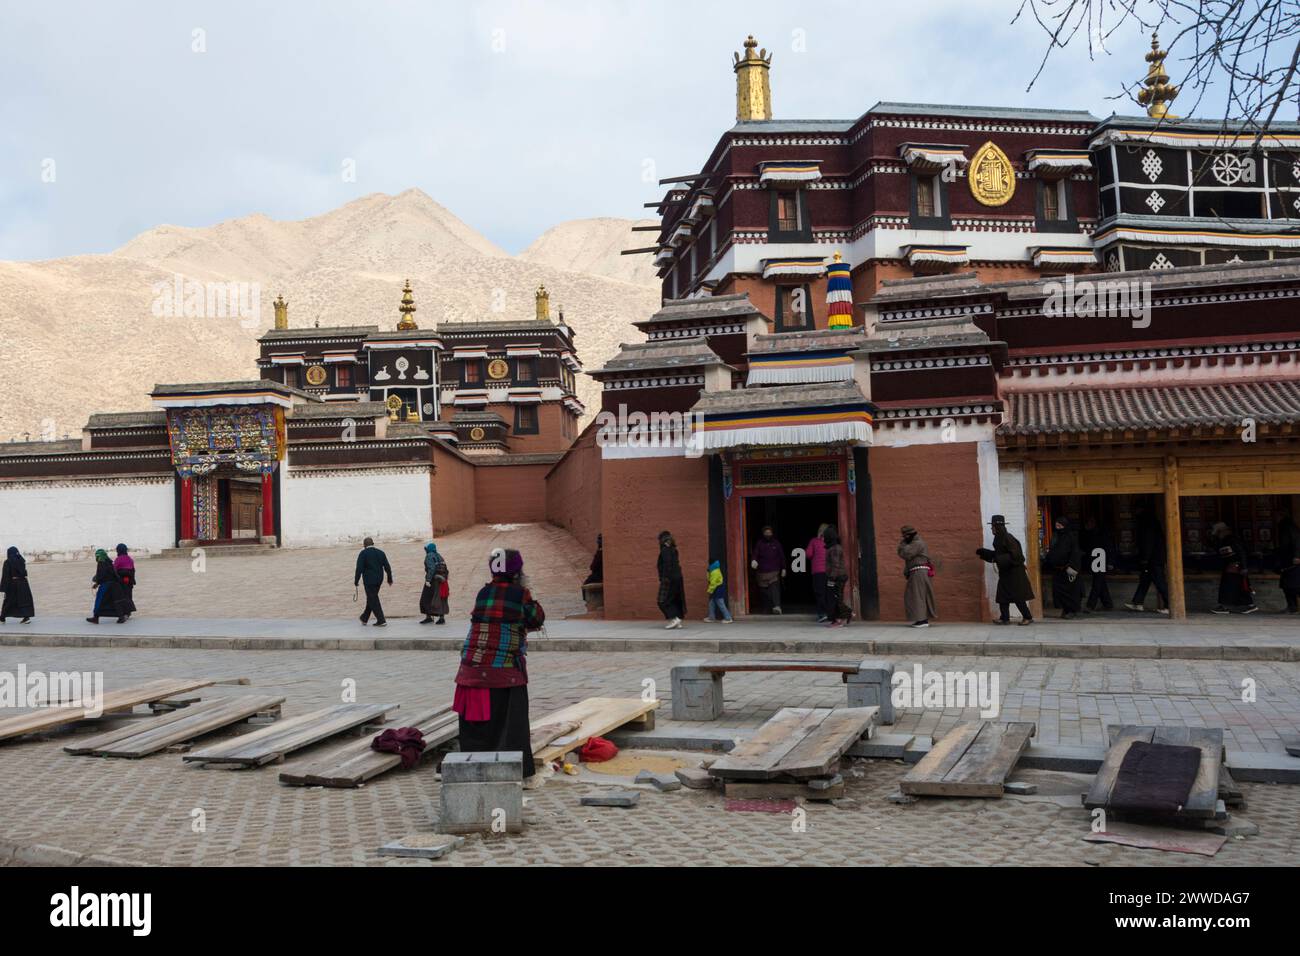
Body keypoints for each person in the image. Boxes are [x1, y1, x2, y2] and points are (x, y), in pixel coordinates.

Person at [453, 548, 544, 782]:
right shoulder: (519, 594)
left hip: (471, 671)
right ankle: (515, 772)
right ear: (518, 572)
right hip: (504, 672)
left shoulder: (484, 592)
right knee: (511, 726)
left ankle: (474, 768)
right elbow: (536, 618)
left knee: (479, 727)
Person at [976, 515, 1034, 626]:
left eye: (993, 527)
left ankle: (1028, 617)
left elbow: (1017, 556)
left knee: (1018, 596)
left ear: (998, 527)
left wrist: (998, 558)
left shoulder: (1008, 538)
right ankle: (1005, 618)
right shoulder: (998, 539)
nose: (992, 529)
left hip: (1015, 573)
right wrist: (984, 553)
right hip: (1005, 573)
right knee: (1002, 596)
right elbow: (998, 556)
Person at [1124, 502, 1169, 615]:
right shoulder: (1151, 521)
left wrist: (1145, 558)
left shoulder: (1146, 522)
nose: (1134, 512)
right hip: (1154, 557)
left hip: (1153, 558)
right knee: (1145, 580)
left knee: (1159, 582)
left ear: (1140, 509)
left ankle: (1171, 605)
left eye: (1135, 509)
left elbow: (1148, 542)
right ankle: (1137, 603)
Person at [1210, 522, 1257, 614]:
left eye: (1218, 533)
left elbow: (1242, 552)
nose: (1218, 535)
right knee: (1238, 587)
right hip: (1231, 567)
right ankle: (1247, 605)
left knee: (1229, 587)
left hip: (1235, 567)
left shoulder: (1232, 540)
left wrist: (1244, 567)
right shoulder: (1224, 541)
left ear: (1223, 531)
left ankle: (1226, 606)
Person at [898, 525, 937, 628]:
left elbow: (905, 553)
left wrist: (902, 544)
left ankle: (922, 621)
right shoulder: (915, 543)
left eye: (905, 536)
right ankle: (922, 619)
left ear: (910, 535)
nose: (904, 538)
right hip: (918, 572)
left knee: (917, 596)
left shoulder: (917, 543)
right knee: (918, 596)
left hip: (919, 572)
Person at [1044, 517, 1083, 619]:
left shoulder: (1071, 538)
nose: (1058, 528)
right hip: (1057, 570)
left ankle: (1072, 610)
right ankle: (1065, 609)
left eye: (1060, 526)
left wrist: (1072, 567)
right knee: (1058, 591)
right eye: (1056, 526)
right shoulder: (1055, 537)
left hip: (1067, 569)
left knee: (1070, 591)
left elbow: (1075, 553)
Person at [354, 536, 393, 627]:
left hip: (369, 581)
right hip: (379, 580)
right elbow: (387, 567)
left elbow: (359, 568)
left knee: (373, 599)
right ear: (373, 544)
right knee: (372, 598)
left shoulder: (363, 554)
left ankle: (381, 620)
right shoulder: (381, 553)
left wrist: (356, 580)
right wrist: (389, 579)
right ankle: (364, 618)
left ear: (364, 545)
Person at [1081, 516, 1115, 612]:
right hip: (1096, 562)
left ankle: (1090, 605)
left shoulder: (1100, 535)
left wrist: (1110, 562)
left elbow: (1109, 548)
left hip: (1100, 562)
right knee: (1101, 583)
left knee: (1097, 584)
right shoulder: (1089, 534)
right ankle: (1108, 604)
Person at [750, 525, 785, 615]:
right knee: (764, 592)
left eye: (769, 533)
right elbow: (755, 553)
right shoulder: (759, 543)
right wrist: (754, 560)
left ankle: (777, 606)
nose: (768, 534)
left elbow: (781, 557)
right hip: (762, 572)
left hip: (774, 571)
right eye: (766, 533)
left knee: (775, 589)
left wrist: (784, 568)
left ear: (772, 533)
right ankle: (767, 608)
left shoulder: (776, 543)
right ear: (763, 534)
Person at [87, 548, 127, 624]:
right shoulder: (109, 562)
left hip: (106, 585)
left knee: (99, 600)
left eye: (97, 556)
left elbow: (101, 575)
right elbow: (113, 574)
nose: (96, 558)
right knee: (115, 601)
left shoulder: (101, 563)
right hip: (115, 585)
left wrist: (97, 582)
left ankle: (95, 618)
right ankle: (121, 617)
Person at [656, 530, 686, 629]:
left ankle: (674, 618)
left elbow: (667, 565)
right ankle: (677, 620)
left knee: (662, 600)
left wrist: (665, 578)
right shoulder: (674, 550)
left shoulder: (665, 550)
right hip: (678, 578)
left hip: (669, 578)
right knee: (674, 599)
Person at [823, 527, 851, 627]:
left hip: (837, 577)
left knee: (835, 599)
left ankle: (841, 618)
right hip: (835, 576)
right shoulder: (833, 547)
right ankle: (839, 617)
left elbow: (836, 565)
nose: (823, 539)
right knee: (834, 598)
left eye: (825, 536)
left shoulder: (835, 548)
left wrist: (832, 578)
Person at [0, 546, 34, 624]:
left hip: (13, 584)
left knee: (8, 601)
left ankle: (2, 618)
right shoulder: (21, 560)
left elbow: (5, 576)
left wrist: (4, 588)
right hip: (23, 584)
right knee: (23, 600)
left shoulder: (8, 562)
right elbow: (24, 573)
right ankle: (26, 617)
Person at [419, 541, 449, 625]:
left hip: (433, 580)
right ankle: (441, 618)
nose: (425, 550)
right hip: (442, 580)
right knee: (440, 598)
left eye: (426, 549)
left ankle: (429, 617)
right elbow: (446, 569)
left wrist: (428, 580)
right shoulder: (439, 556)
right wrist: (444, 579)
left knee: (426, 598)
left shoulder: (429, 556)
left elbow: (431, 569)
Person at [1277, 512, 1300, 614]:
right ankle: (1292, 606)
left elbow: (1297, 541)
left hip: (1292, 562)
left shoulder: (1289, 527)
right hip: (1287, 560)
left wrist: (1297, 555)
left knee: (1294, 586)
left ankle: (1292, 606)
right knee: (1287, 586)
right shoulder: (1284, 526)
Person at [808, 523, 829, 623]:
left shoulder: (814, 541)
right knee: (829, 592)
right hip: (829, 571)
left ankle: (822, 614)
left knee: (819, 592)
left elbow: (808, 554)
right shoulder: (830, 542)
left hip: (818, 571)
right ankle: (830, 613)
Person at [113, 543, 137, 619]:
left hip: (121, 581)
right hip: (129, 581)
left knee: (122, 596)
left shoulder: (118, 559)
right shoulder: (130, 559)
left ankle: (124, 612)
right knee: (129, 596)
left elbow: (114, 570)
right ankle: (128, 612)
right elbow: (133, 570)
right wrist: (132, 580)